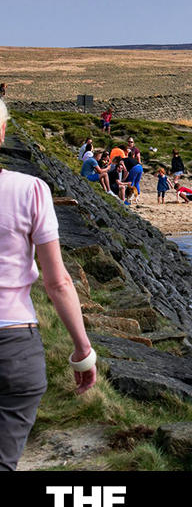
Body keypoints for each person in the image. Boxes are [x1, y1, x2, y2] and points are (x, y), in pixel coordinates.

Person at [0, 98, 98, 471]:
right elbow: (58, 283)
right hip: (14, 347)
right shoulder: (30, 191)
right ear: (2, 132)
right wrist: (83, 351)